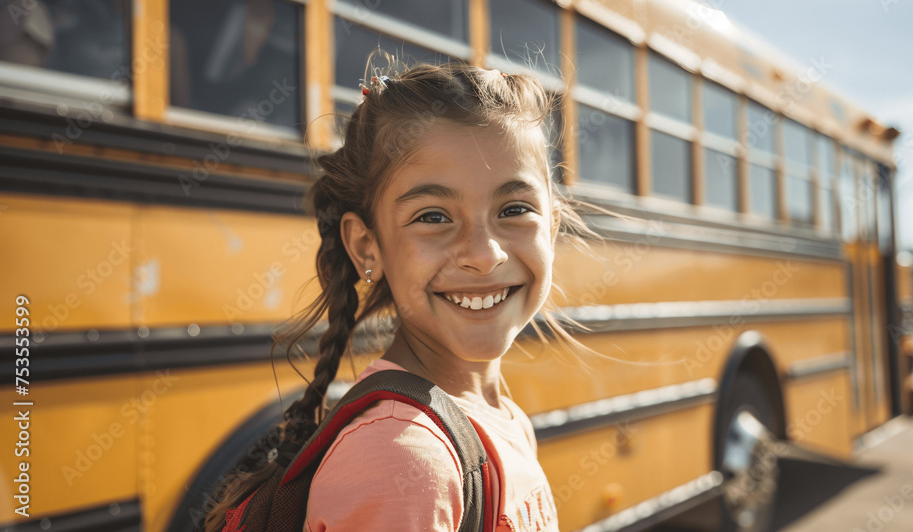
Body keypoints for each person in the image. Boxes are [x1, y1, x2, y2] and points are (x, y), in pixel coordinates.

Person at [202, 50, 627, 532]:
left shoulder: (497, 417)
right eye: (433, 217)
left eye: (514, 209)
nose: (484, 255)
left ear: (551, 228)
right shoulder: (404, 459)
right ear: (367, 247)